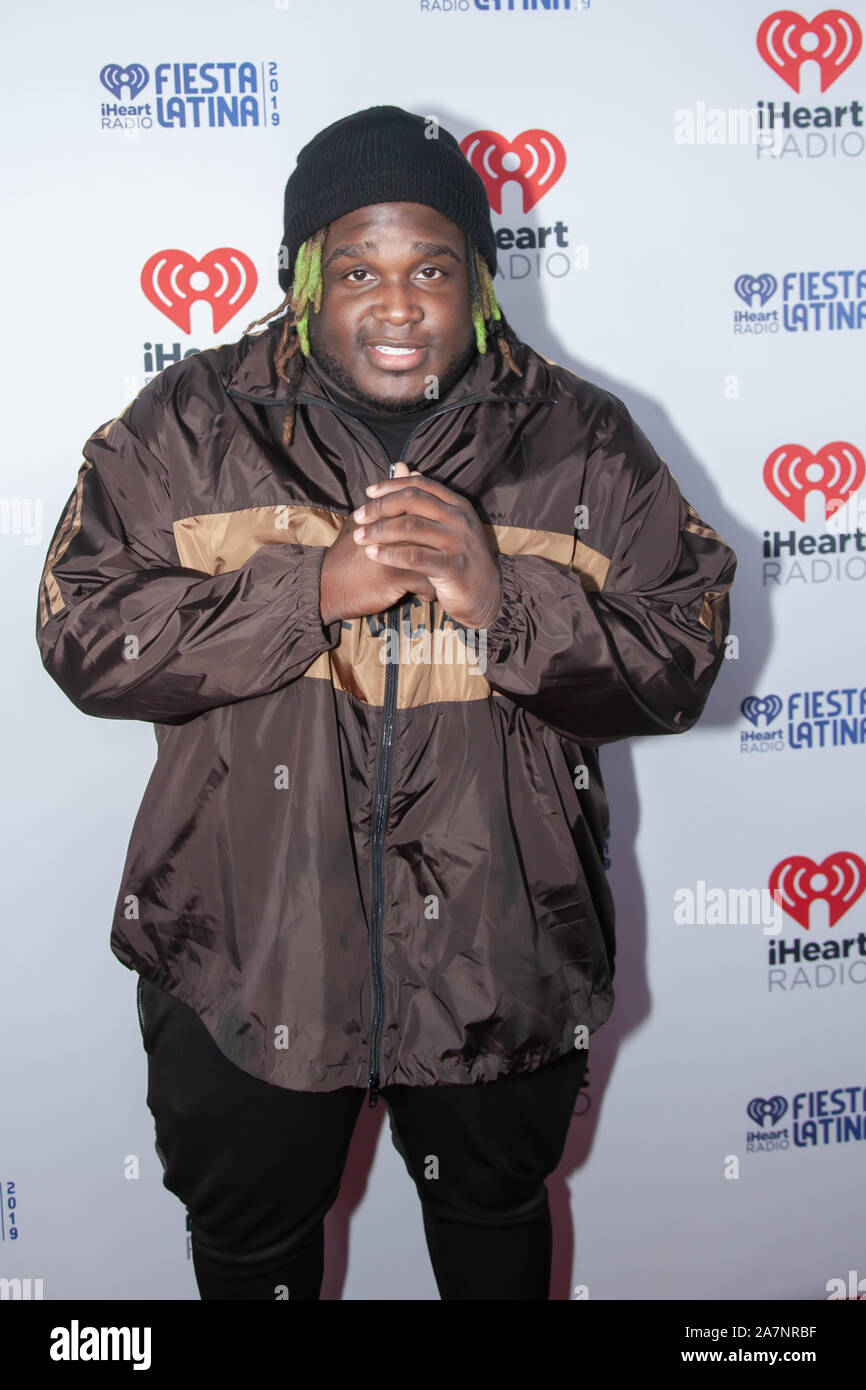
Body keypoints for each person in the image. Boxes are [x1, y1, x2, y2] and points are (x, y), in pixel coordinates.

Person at [35, 104, 737, 1301]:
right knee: (251, 1249)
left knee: (494, 1219)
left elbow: (682, 651)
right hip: (247, 958)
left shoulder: (581, 443)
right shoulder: (186, 428)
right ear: (304, 280)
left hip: (499, 961)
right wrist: (312, 589)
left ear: (480, 284)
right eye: (356, 267)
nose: (397, 303)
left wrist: (497, 594)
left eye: (432, 268)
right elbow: (84, 635)